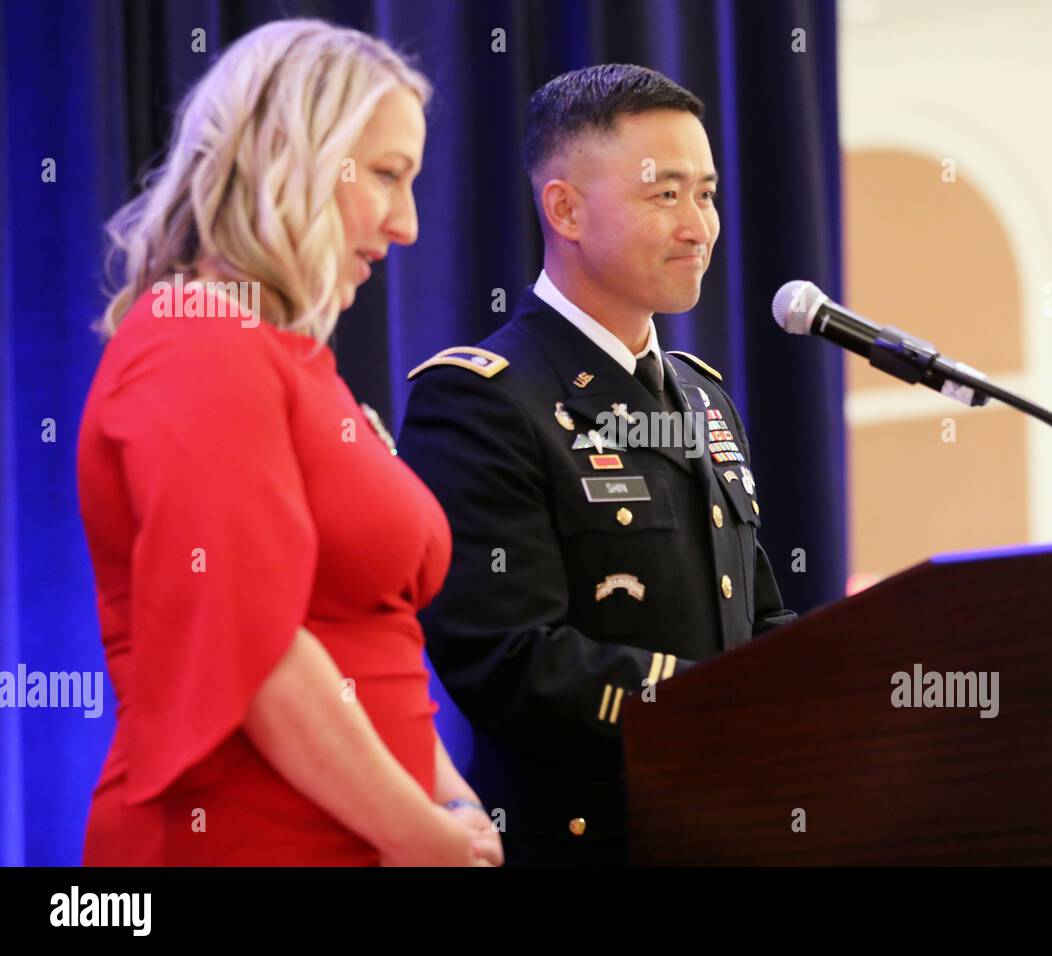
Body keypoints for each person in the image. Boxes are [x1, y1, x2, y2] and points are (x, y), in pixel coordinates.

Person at [77, 19, 501, 866]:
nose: (409, 223)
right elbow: (255, 648)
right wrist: (426, 838)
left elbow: (366, 638)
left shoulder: (290, 362)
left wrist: (450, 797)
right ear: (291, 156)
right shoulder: (194, 340)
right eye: (386, 175)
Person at [398, 64, 795, 866]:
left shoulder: (702, 397)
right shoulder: (481, 400)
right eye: (665, 194)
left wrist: (846, 679)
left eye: (707, 194)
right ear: (566, 209)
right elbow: (509, 660)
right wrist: (729, 709)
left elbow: (757, 619)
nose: (700, 227)